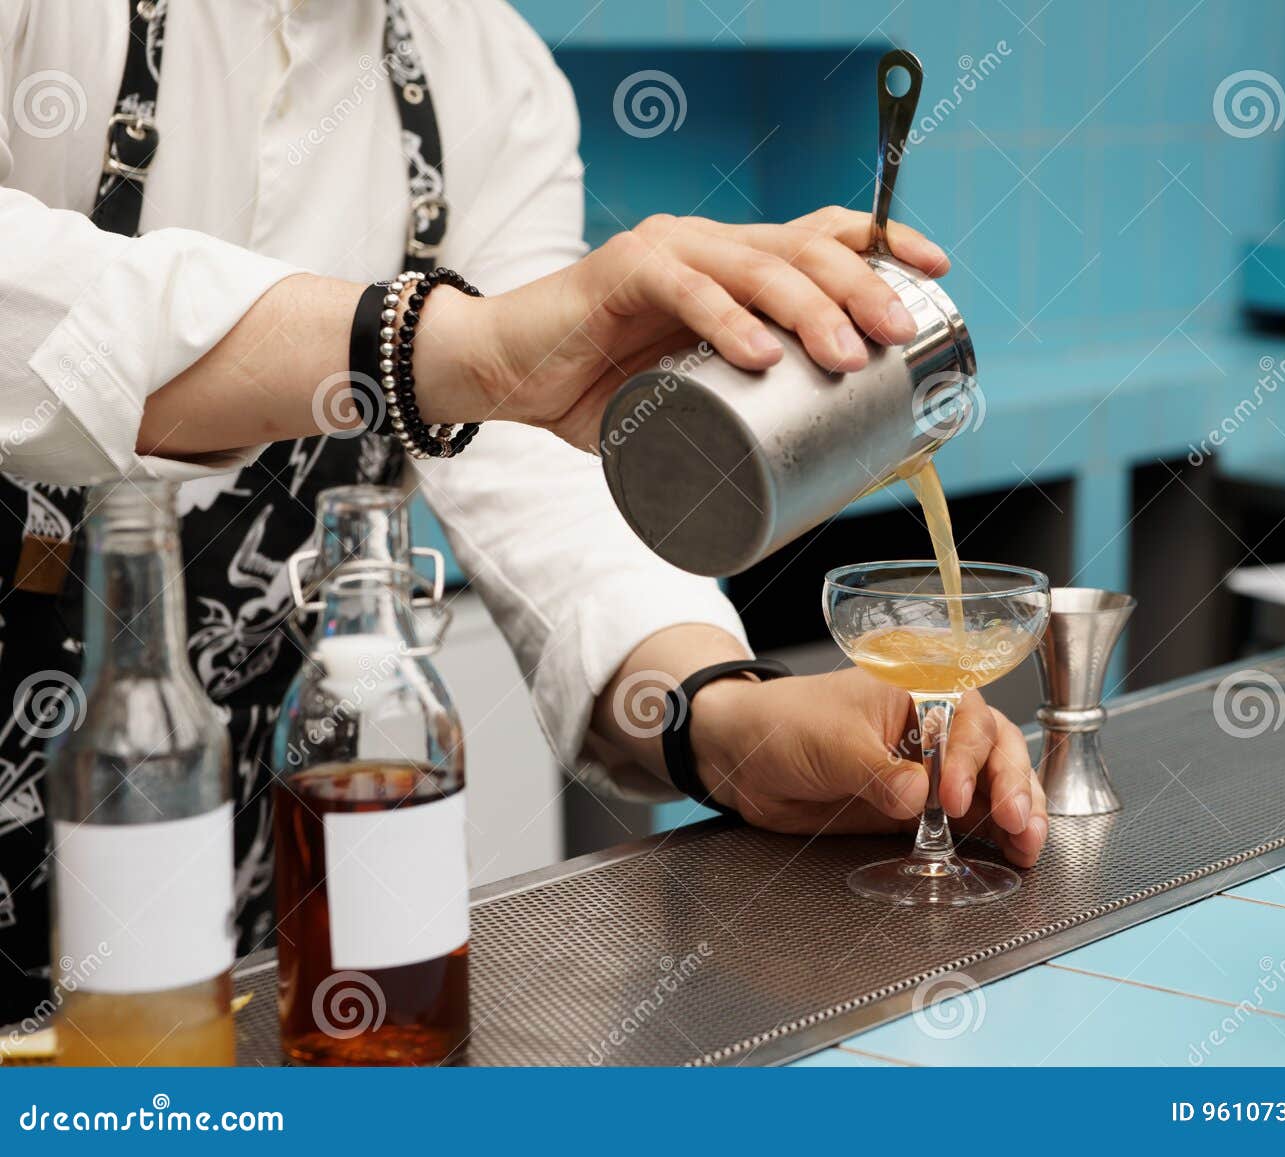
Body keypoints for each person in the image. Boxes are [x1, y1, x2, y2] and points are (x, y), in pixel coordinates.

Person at [0, 0, 1046, 1027]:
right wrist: (440, 348)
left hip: (264, 886)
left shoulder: (482, 68)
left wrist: (720, 715)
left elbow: (539, 466)